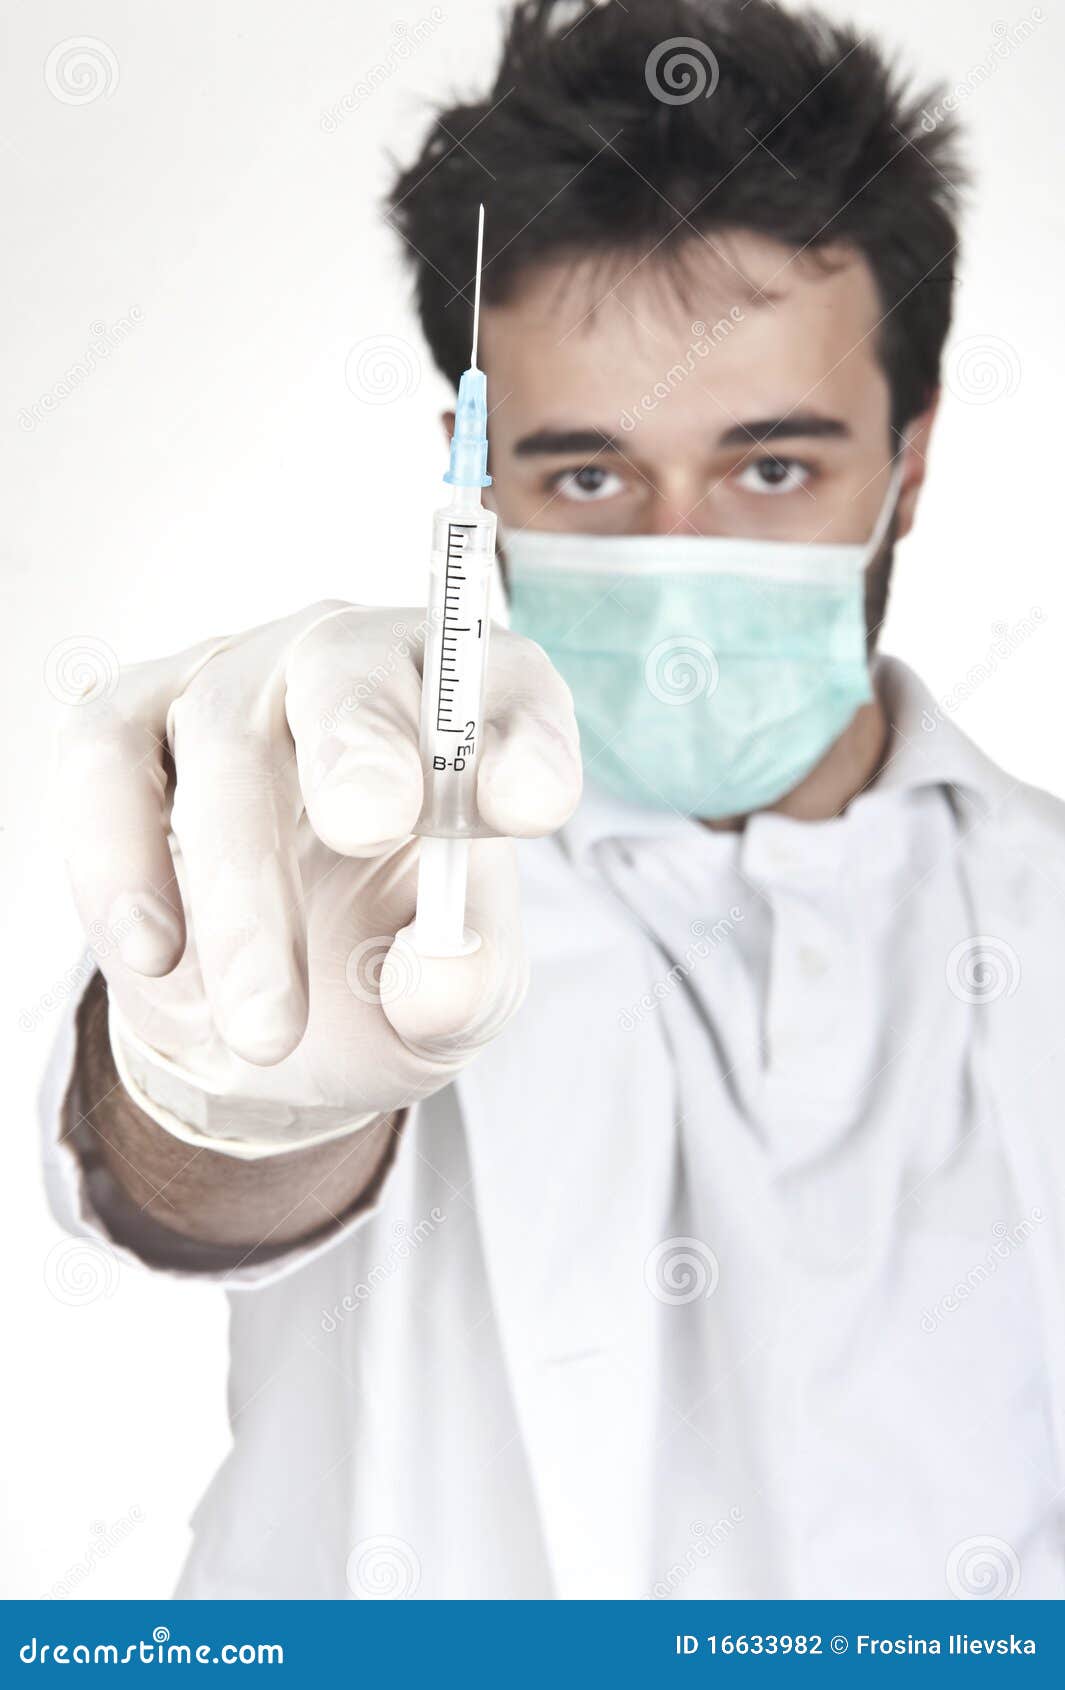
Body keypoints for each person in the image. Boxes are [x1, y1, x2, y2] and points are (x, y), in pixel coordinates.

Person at [44, 0, 1065, 1600]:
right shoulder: (364, 852)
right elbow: (182, 1187)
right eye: (586, 474)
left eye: (770, 467)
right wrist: (217, 1073)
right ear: (488, 479)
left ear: (909, 464)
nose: (671, 542)